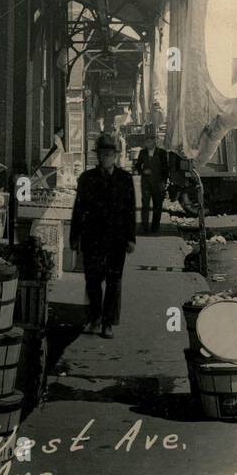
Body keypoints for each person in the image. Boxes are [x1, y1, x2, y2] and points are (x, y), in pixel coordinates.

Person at [69, 131, 136, 339]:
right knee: (92, 280)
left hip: (117, 239)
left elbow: (130, 210)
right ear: (97, 156)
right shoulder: (86, 179)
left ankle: (108, 323)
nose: (105, 157)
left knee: (114, 282)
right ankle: (95, 319)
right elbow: (78, 209)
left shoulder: (125, 179)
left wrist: (131, 238)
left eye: (109, 154)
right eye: (102, 154)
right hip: (92, 238)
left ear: (115, 156)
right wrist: (75, 237)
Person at [134, 133, 169, 234]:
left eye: (149, 141)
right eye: (146, 142)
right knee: (145, 205)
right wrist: (142, 171)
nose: (147, 143)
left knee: (157, 205)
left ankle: (155, 227)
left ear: (154, 142)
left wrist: (163, 182)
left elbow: (166, 169)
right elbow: (137, 166)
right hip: (145, 183)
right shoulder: (142, 153)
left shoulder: (161, 153)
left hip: (158, 183)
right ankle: (144, 227)